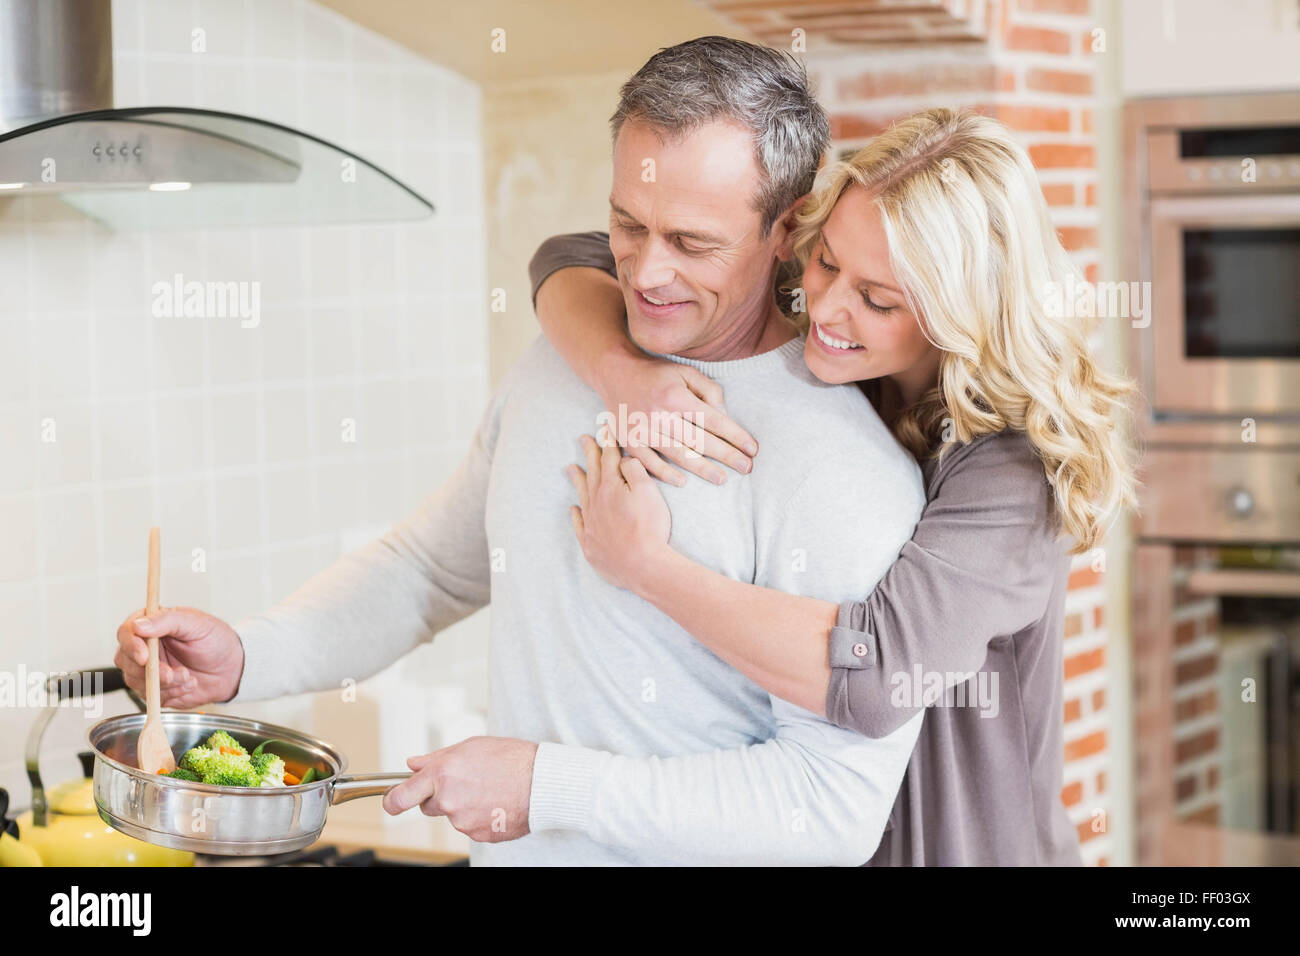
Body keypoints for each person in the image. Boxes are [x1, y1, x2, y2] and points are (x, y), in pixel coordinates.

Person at [113, 36, 926, 866]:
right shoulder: (564, 362)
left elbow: (830, 812)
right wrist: (250, 656)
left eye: (692, 243)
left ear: (788, 227)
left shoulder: (842, 471)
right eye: (626, 223)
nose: (647, 273)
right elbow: (432, 569)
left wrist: (547, 787)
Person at [535, 107, 1137, 865]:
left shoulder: (1011, 470)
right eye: (824, 262)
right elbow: (568, 257)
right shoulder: (848, 349)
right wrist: (620, 373)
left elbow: (880, 674)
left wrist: (646, 568)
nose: (824, 308)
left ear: (965, 313)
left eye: (879, 300)